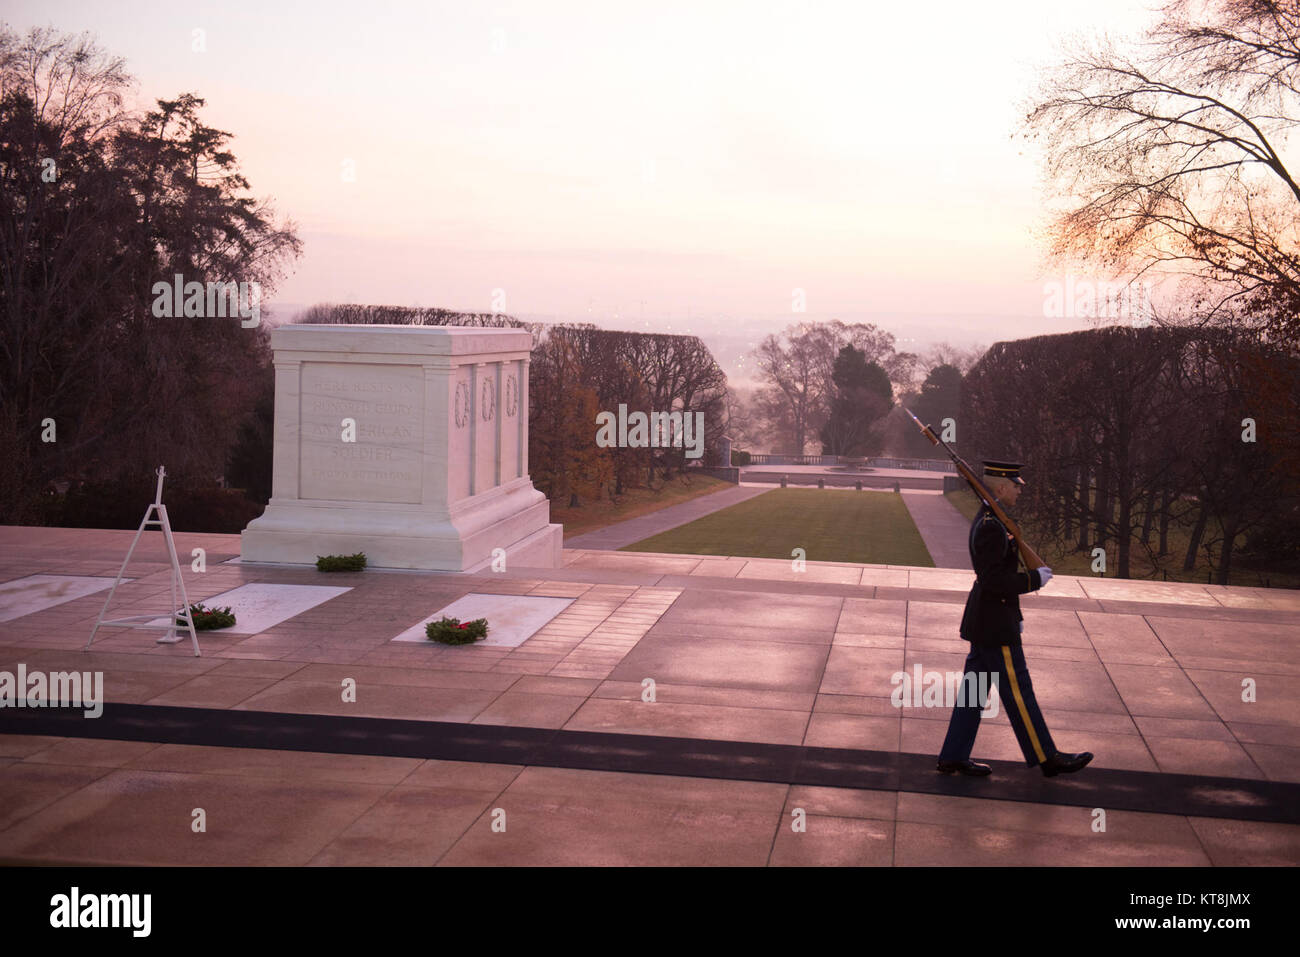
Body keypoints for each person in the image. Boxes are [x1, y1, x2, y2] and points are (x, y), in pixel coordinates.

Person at [936, 460, 1094, 778]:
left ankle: (953, 756)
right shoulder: (991, 527)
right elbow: (994, 580)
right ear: (1000, 489)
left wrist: (1016, 612)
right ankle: (1048, 757)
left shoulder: (993, 522)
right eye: (1015, 486)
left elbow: (995, 578)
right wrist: (1034, 580)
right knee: (1019, 691)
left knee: (973, 692)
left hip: (989, 618)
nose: (1020, 491)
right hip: (995, 624)